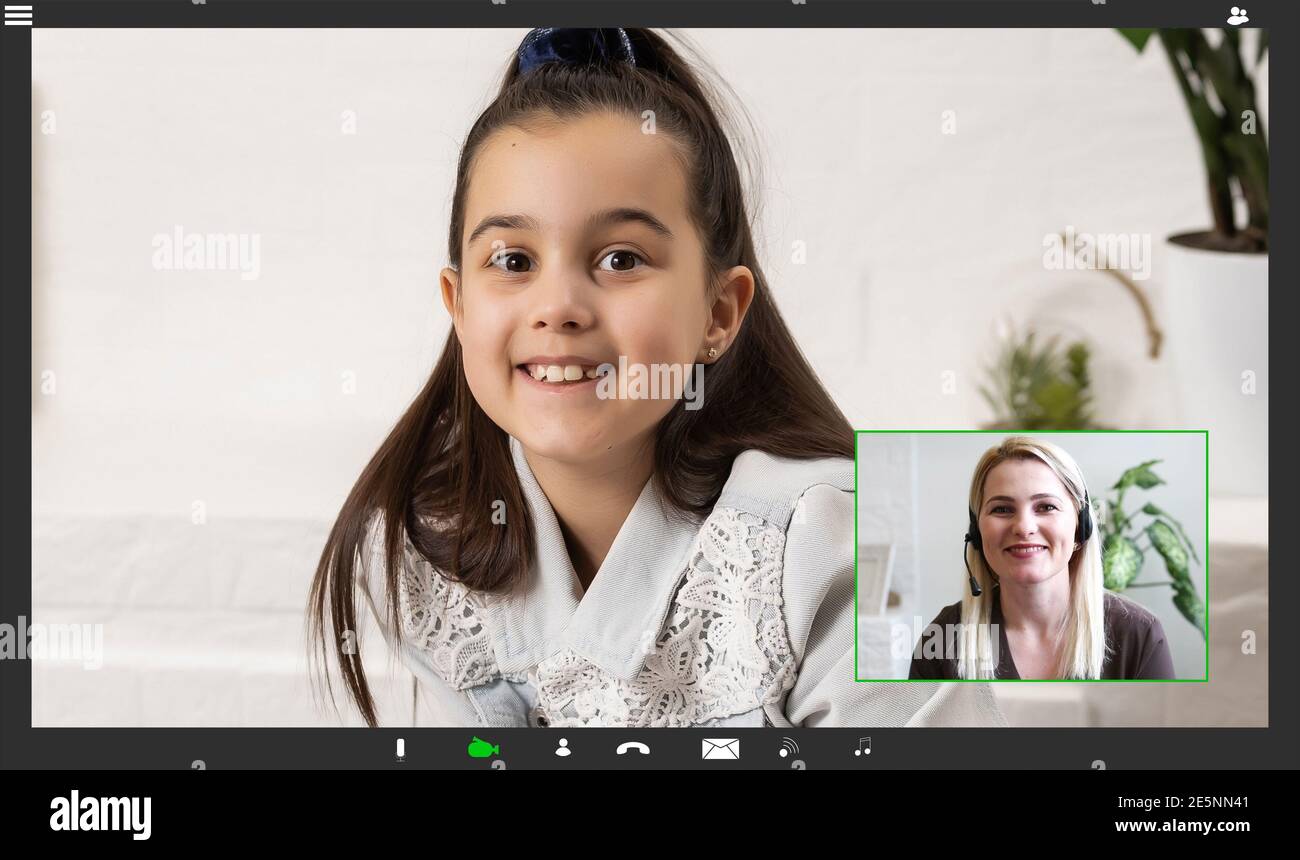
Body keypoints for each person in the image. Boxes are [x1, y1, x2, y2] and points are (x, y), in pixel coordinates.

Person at [308, 27, 1004, 728]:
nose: (558, 308)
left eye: (620, 259)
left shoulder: (857, 553)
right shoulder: (426, 551)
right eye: (514, 261)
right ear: (458, 306)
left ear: (719, 312)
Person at [909, 436, 1176, 680]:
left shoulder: (1138, 635)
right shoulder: (944, 638)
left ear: (1081, 527)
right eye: (1002, 509)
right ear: (976, 532)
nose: (1024, 527)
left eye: (1046, 507)